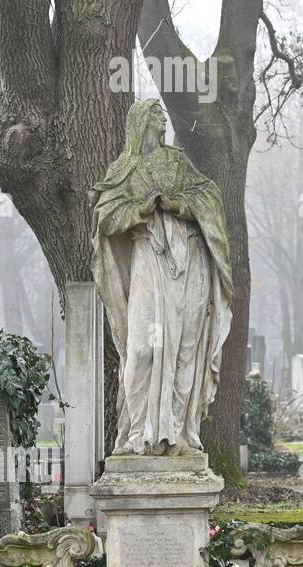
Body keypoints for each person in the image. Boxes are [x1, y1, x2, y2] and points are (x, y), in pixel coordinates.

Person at [91, 100, 234, 455]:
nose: (162, 120)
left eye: (162, 115)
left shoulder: (177, 163)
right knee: (141, 348)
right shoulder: (126, 170)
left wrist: (176, 205)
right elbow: (105, 218)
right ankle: (136, 433)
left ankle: (180, 433)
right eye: (155, 116)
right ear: (140, 124)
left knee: (186, 349)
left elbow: (209, 196)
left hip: (189, 262)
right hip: (148, 262)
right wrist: (141, 209)